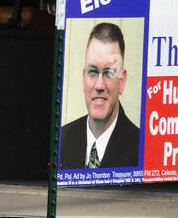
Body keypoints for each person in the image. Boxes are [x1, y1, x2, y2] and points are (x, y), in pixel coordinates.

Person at [59, 21, 140, 169]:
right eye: (93, 72)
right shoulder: (61, 139)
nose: (99, 86)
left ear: (122, 81)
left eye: (109, 73)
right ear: (84, 77)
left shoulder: (142, 148)